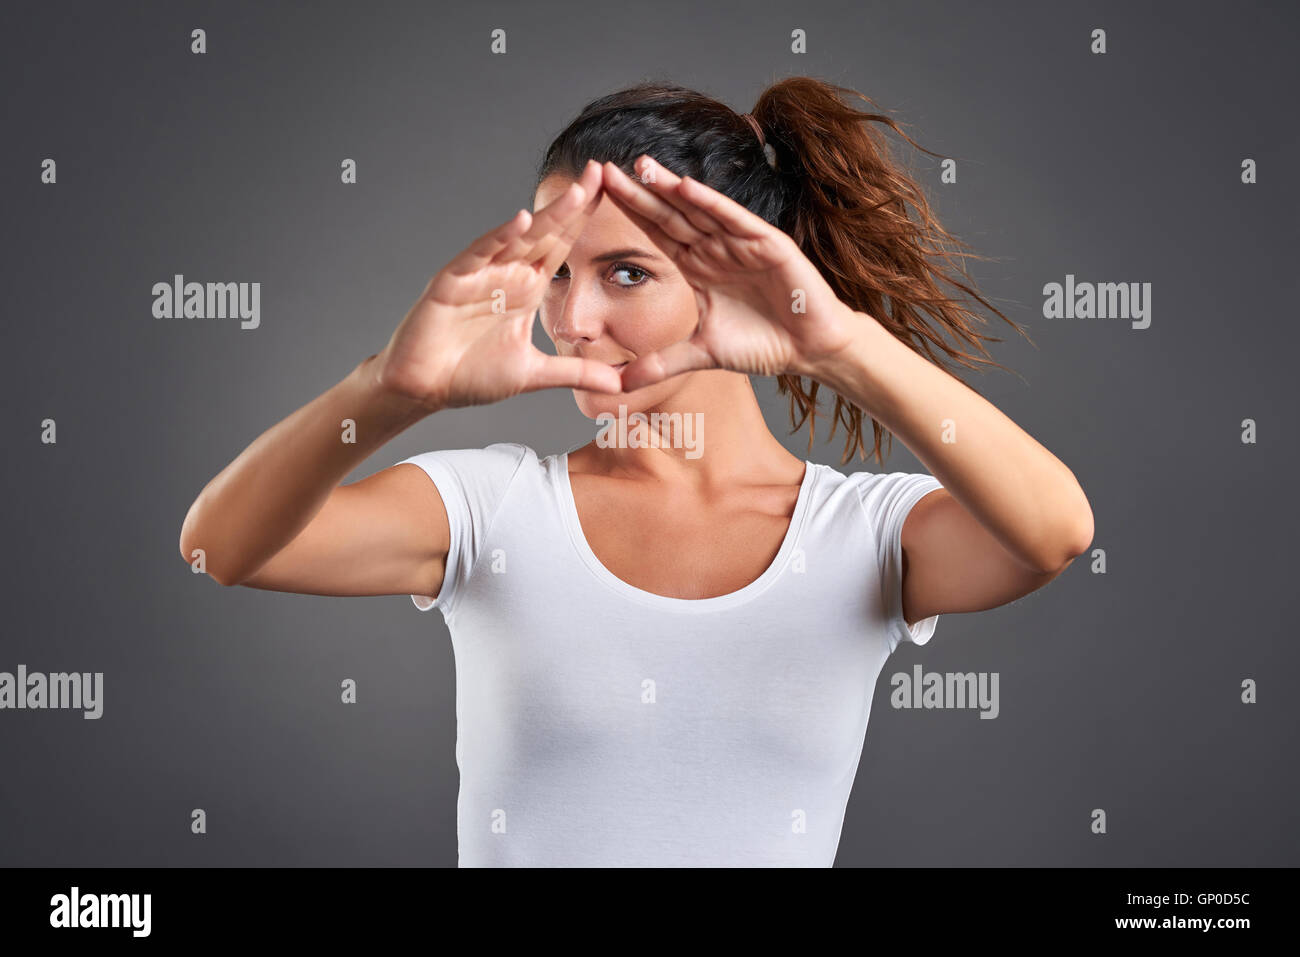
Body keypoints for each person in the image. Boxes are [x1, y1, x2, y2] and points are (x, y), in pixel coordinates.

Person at [179, 77, 1094, 866]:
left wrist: (841, 347)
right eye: (557, 273)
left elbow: (1056, 533)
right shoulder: (491, 510)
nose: (573, 317)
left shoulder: (861, 535)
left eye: (624, 274)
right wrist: (390, 389)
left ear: (732, 279)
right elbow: (220, 547)